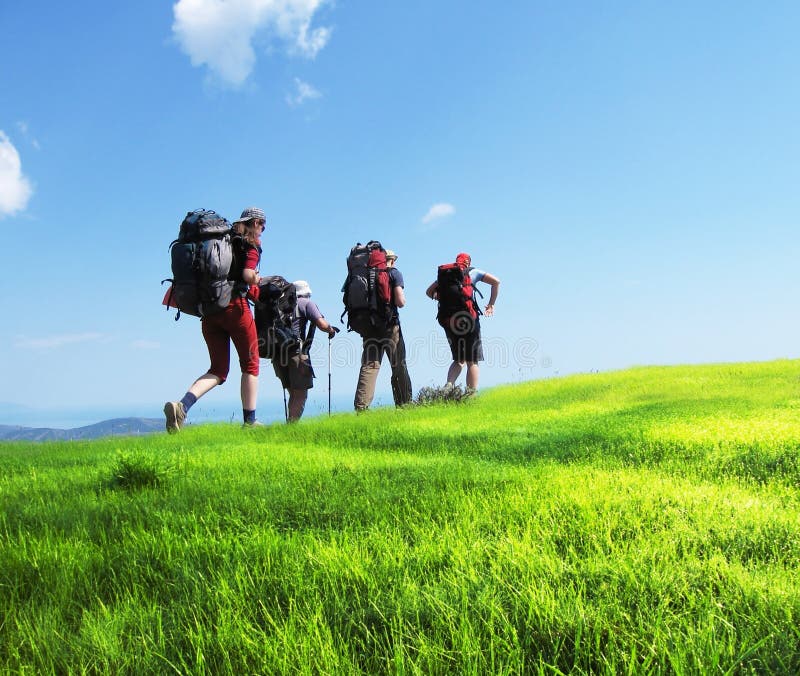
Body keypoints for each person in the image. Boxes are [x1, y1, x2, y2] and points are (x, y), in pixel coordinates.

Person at [163, 207, 265, 433]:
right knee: (251, 364)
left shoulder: (224, 240)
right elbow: (248, 275)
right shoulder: (249, 244)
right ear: (255, 222)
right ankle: (250, 421)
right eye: (262, 225)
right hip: (236, 310)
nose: (263, 229)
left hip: (209, 312)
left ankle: (182, 406)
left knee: (218, 370)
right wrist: (256, 279)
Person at [425, 252, 500, 392]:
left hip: (449, 320)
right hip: (468, 320)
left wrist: (440, 297)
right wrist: (491, 304)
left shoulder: (446, 275)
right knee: (472, 361)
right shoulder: (473, 272)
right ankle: (470, 395)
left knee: (459, 359)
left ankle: (449, 385)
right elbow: (496, 281)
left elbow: (429, 292)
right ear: (468, 263)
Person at [354, 249, 413, 410]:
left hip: (369, 328)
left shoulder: (364, 275)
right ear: (392, 260)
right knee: (398, 364)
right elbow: (400, 301)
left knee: (369, 366)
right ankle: (404, 405)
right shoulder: (394, 273)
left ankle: (361, 408)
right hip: (389, 325)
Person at [272, 280, 338, 421]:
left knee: (294, 394)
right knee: (301, 395)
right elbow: (321, 324)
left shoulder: (280, 304)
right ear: (307, 292)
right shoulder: (306, 303)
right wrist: (330, 329)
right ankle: (291, 429)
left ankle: (289, 426)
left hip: (278, 355)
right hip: (297, 353)